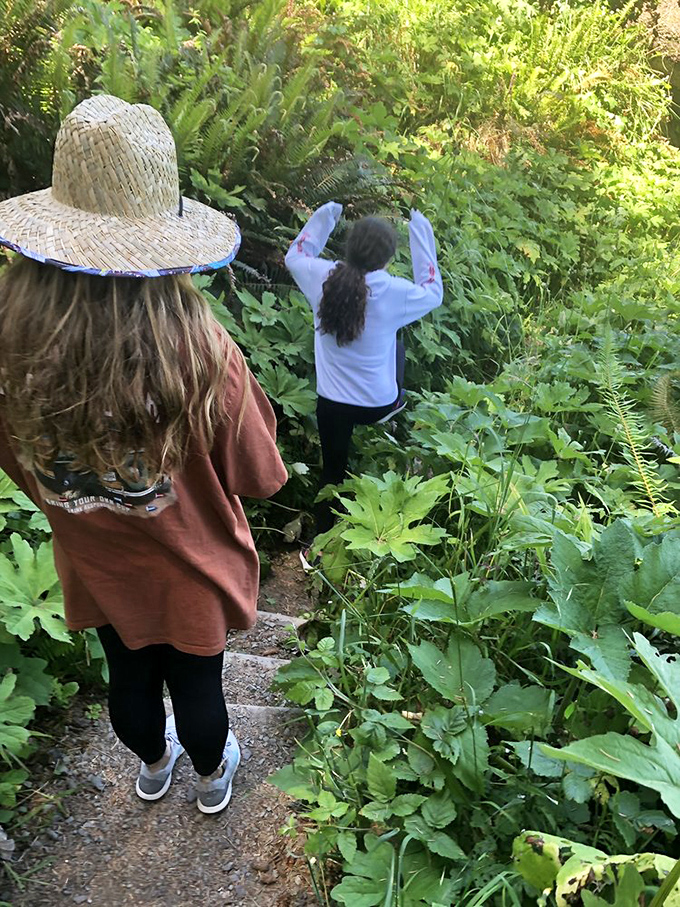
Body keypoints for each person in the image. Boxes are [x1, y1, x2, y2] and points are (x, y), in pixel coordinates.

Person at [0, 95, 288, 814]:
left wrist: (79, 502)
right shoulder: (199, 353)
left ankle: (153, 763)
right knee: (199, 687)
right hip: (189, 569)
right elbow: (258, 472)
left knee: (127, 682)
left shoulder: (11, 351)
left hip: (98, 568)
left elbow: (18, 463)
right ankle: (212, 777)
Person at [285, 202, 443, 543]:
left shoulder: (320, 278)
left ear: (349, 248)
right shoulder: (396, 293)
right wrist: (419, 227)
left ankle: (321, 543)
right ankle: (398, 421)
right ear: (387, 259)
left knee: (332, 472)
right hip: (378, 406)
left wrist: (328, 213)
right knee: (397, 344)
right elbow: (433, 291)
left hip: (332, 408)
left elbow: (295, 255)